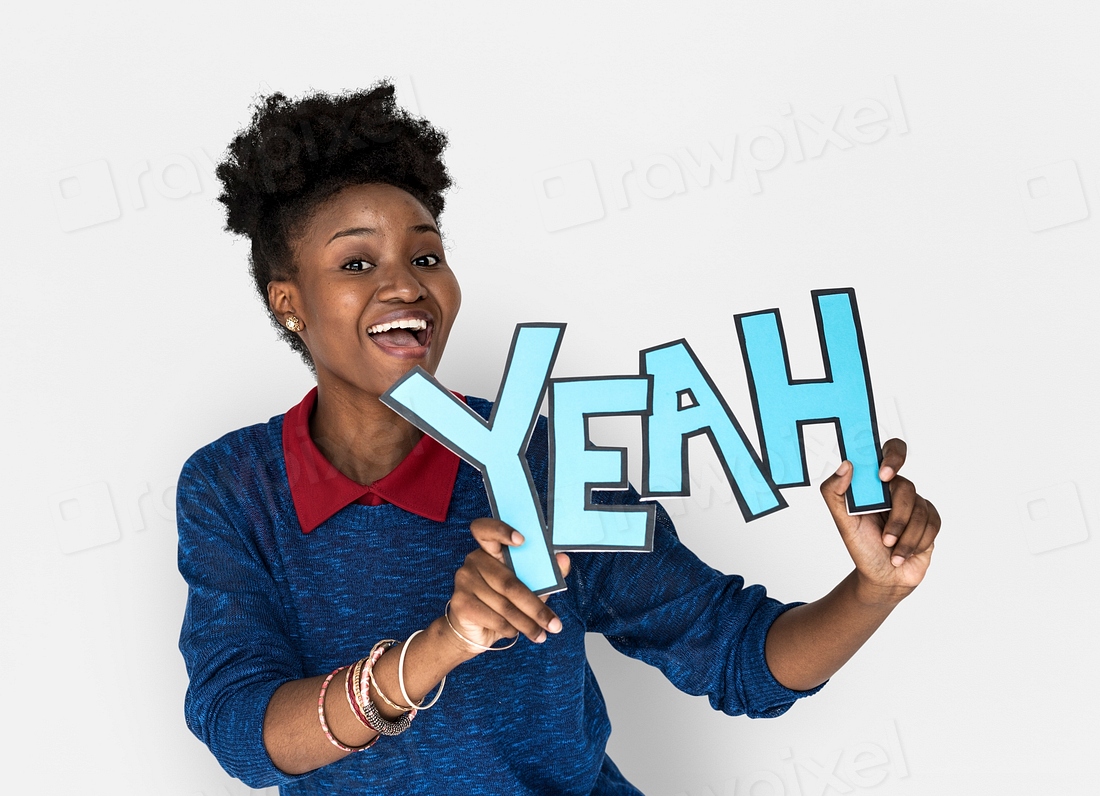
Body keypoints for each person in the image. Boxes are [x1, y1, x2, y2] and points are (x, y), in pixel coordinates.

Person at [176, 82, 940, 795]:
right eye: (355, 262)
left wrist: (876, 587)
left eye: (425, 255)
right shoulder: (233, 487)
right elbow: (243, 730)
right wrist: (441, 645)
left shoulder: (536, 459)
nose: (406, 283)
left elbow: (739, 657)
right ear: (289, 304)